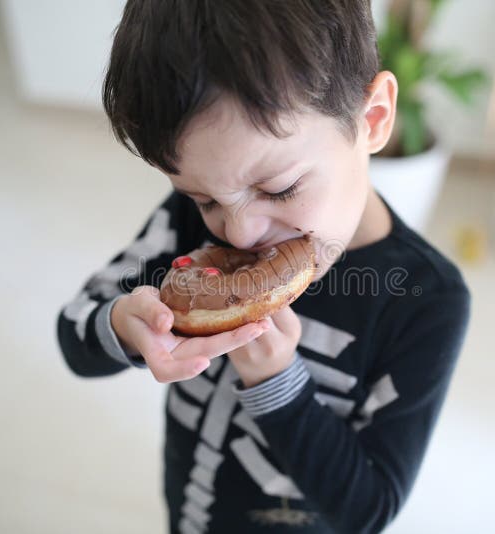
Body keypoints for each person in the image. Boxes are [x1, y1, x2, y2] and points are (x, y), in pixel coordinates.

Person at [56, 1, 471, 532]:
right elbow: (72, 335)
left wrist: (276, 381)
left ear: (372, 120)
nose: (238, 231)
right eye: (204, 199)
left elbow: (369, 509)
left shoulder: (425, 301)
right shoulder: (188, 230)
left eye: (279, 188)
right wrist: (124, 327)